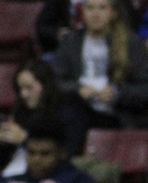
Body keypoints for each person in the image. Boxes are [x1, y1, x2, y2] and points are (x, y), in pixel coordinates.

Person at [53, 0, 148, 130]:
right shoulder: (71, 42)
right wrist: (77, 90)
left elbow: (144, 88)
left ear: (113, 13)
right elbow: (55, 81)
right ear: (83, 12)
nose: (95, 14)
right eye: (90, 8)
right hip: (79, 109)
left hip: (118, 115)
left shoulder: (131, 44)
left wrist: (117, 93)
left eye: (102, 8)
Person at [0, 59, 86, 175]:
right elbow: (1, 162)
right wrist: (4, 144)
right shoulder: (20, 113)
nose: (23, 94)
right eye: (20, 89)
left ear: (46, 86)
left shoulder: (66, 115)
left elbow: (67, 156)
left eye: (29, 88)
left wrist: (25, 140)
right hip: (13, 176)